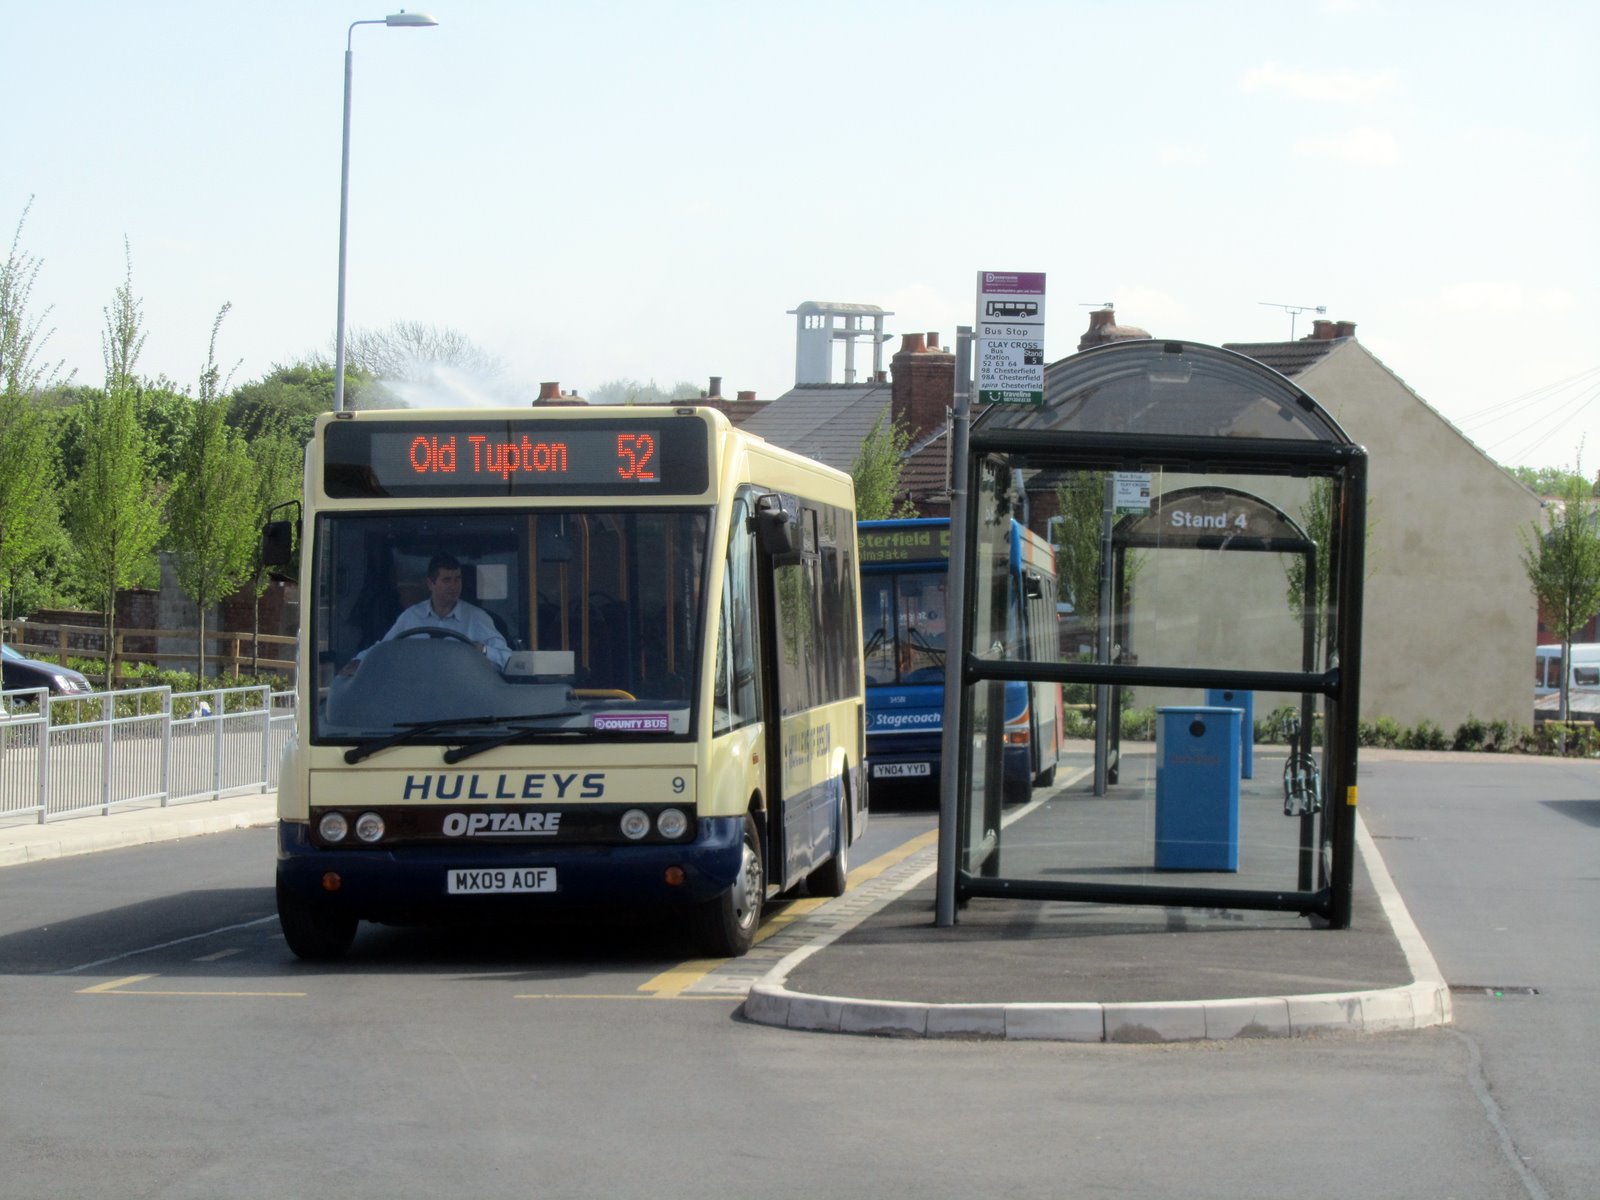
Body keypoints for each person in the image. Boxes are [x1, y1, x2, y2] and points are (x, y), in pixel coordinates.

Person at [340, 553, 512, 675]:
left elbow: (506, 659)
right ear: (430, 583)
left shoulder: (477, 617)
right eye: (446, 580)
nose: (454, 586)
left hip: (464, 697)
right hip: (415, 695)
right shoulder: (411, 616)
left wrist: (482, 650)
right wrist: (359, 662)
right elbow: (384, 648)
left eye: (457, 579)